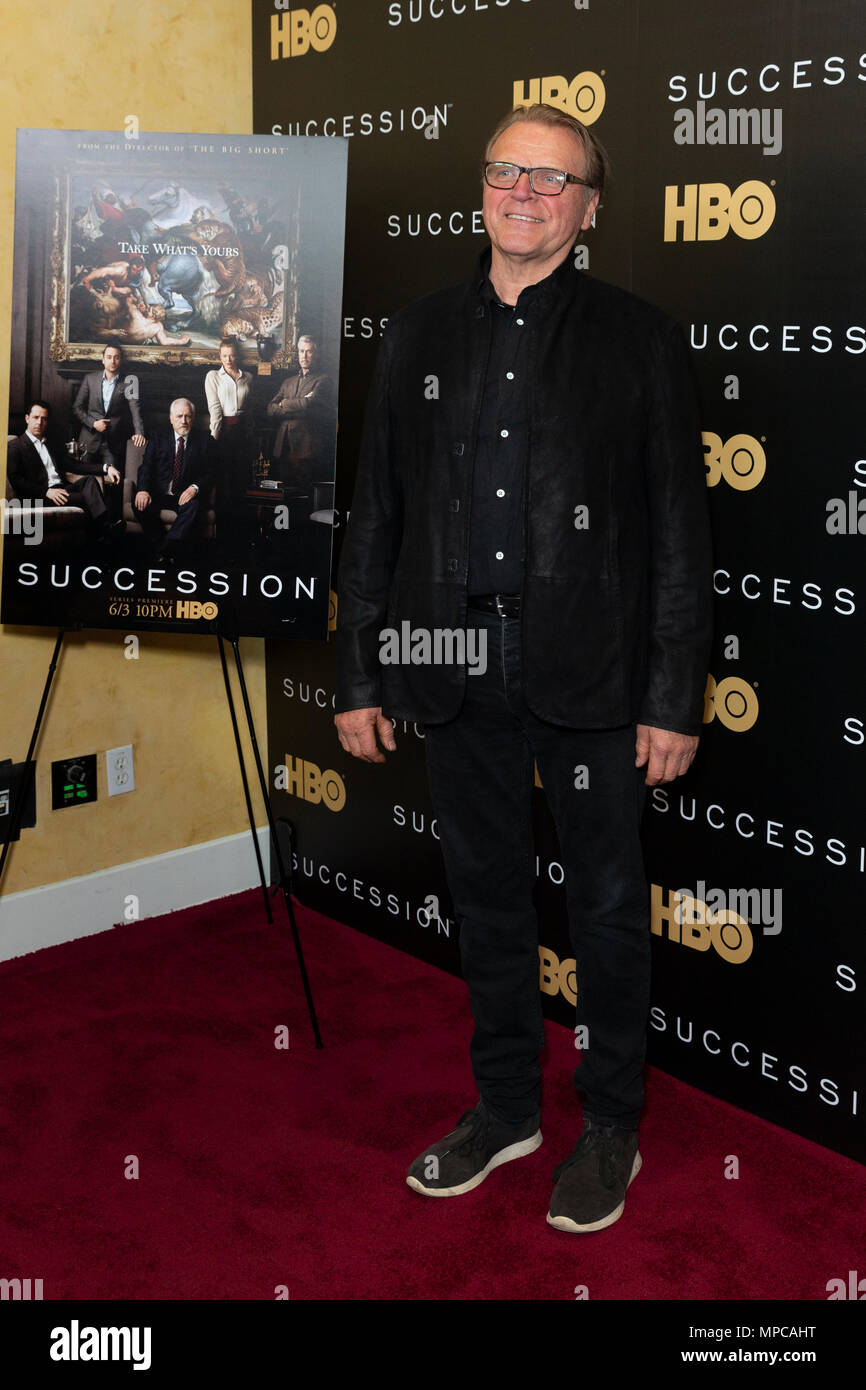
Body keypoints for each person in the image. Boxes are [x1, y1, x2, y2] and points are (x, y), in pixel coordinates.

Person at [334, 104, 713, 1235]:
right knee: (488, 902)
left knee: (602, 909)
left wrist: (669, 692)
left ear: (589, 209)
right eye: (507, 170)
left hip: (592, 674)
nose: (524, 191)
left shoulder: (637, 339)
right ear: (481, 187)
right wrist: (359, 671)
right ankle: (504, 1107)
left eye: (553, 180)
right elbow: (376, 519)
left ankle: (609, 1126)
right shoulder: (413, 335)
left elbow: (678, 534)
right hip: (450, 670)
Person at [7, 401, 113, 536]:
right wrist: (46, 492)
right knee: (86, 498)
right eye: (35, 417)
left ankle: (103, 530)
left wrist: (106, 467)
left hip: (62, 489)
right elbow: (16, 480)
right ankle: (104, 530)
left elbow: (74, 465)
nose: (39, 422)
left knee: (89, 481)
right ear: (27, 418)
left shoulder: (51, 444)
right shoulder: (15, 446)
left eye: (44, 419)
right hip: (40, 496)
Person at [73, 344, 146, 522]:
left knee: (114, 482)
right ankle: (86, 522)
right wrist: (93, 423)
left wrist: (140, 432)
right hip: (89, 440)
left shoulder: (130, 381)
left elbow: (135, 409)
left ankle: (111, 524)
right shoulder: (90, 379)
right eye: (109, 357)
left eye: (117, 357)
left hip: (112, 442)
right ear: (102, 359)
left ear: (120, 360)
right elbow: (77, 408)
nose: (113, 361)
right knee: (84, 480)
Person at [134, 398, 215, 557]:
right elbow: (146, 467)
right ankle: (166, 549)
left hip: (185, 496)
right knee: (138, 505)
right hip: (160, 494)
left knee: (194, 506)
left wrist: (195, 488)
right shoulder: (158, 437)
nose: (184, 421)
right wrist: (142, 490)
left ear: (193, 418)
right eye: (179, 416)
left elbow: (211, 471)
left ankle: (162, 553)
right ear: (171, 418)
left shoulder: (205, 440)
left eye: (188, 416)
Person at [265, 334, 334, 488]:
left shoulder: (323, 380)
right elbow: (270, 408)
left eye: (308, 351)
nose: (304, 356)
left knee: (304, 493)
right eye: (301, 351)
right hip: (283, 447)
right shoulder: (288, 382)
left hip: (306, 448)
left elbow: (309, 405)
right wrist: (299, 404)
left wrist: (284, 404)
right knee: (285, 493)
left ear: (316, 354)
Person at [205, 337, 254, 508]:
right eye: (224, 355)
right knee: (223, 475)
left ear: (237, 356)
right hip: (224, 430)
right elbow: (215, 409)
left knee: (241, 476)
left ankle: (239, 518)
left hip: (243, 431)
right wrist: (213, 439)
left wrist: (250, 433)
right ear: (219, 356)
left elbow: (249, 408)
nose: (228, 360)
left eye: (232, 355)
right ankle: (223, 519)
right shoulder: (213, 377)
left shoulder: (248, 377)